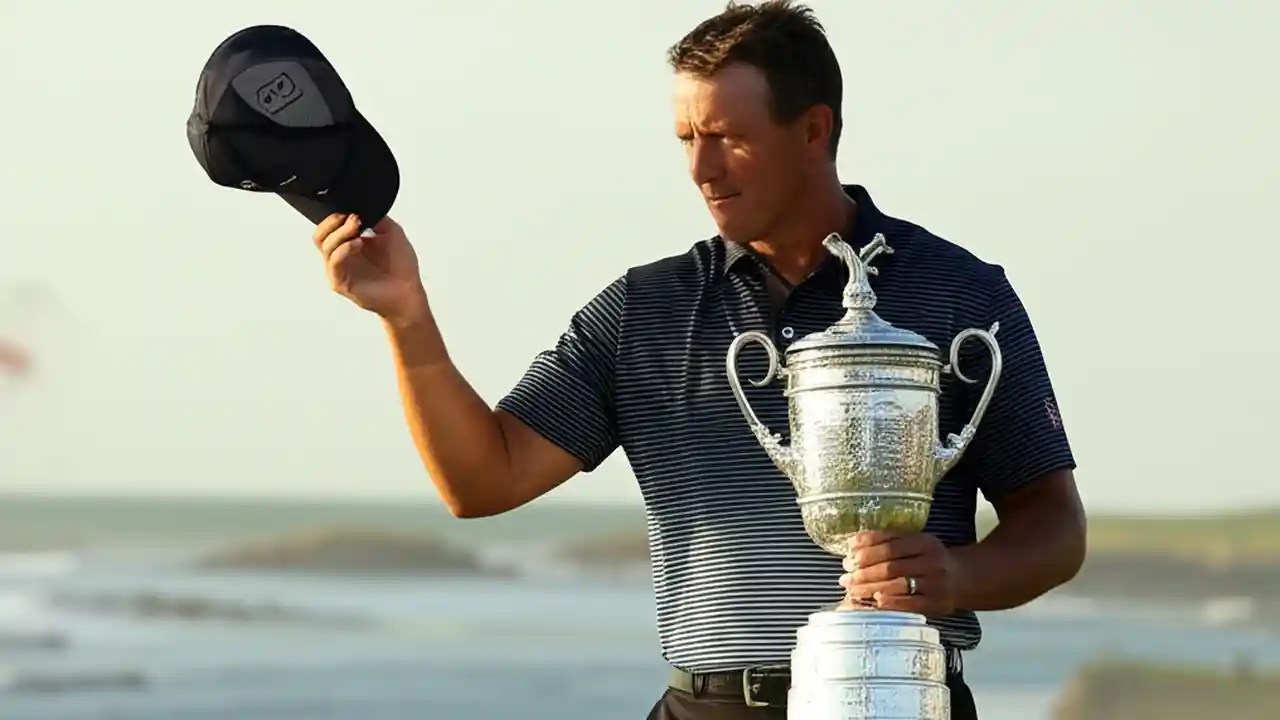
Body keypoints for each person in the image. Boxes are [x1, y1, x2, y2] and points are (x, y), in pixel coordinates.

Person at [310, 2, 1087, 717]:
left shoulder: (960, 292)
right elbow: (483, 479)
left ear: (814, 130)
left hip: (902, 701)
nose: (701, 169)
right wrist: (407, 318)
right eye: (687, 138)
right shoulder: (643, 310)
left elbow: (1054, 526)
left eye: (728, 138)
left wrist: (955, 578)